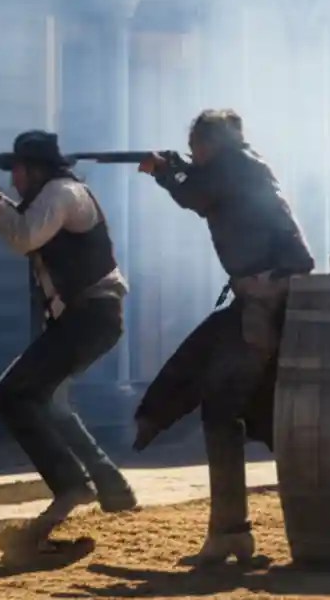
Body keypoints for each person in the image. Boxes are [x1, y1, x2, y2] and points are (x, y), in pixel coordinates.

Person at [131, 108, 315, 565]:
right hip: (263, 293)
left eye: (196, 146)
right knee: (227, 405)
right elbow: (203, 189)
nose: (194, 154)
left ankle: (232, 532)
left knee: (226, 405)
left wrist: (163, 174)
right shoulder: (240, 165)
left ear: (209, 145)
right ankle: (230, 532)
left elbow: (195, 195)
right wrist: (176, 169)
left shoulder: (234, 168)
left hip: (266, 296)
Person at [0, 130, 138, 552]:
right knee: (50, 402)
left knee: (10, 397)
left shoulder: (62, 194)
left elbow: (25, 236)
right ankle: (111, 486)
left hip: (90, 316)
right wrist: (4, 208)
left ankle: (70, 485)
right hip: (83, 319)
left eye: (19, 171)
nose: (15, 181)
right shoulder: (55, 195)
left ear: (36, 169)